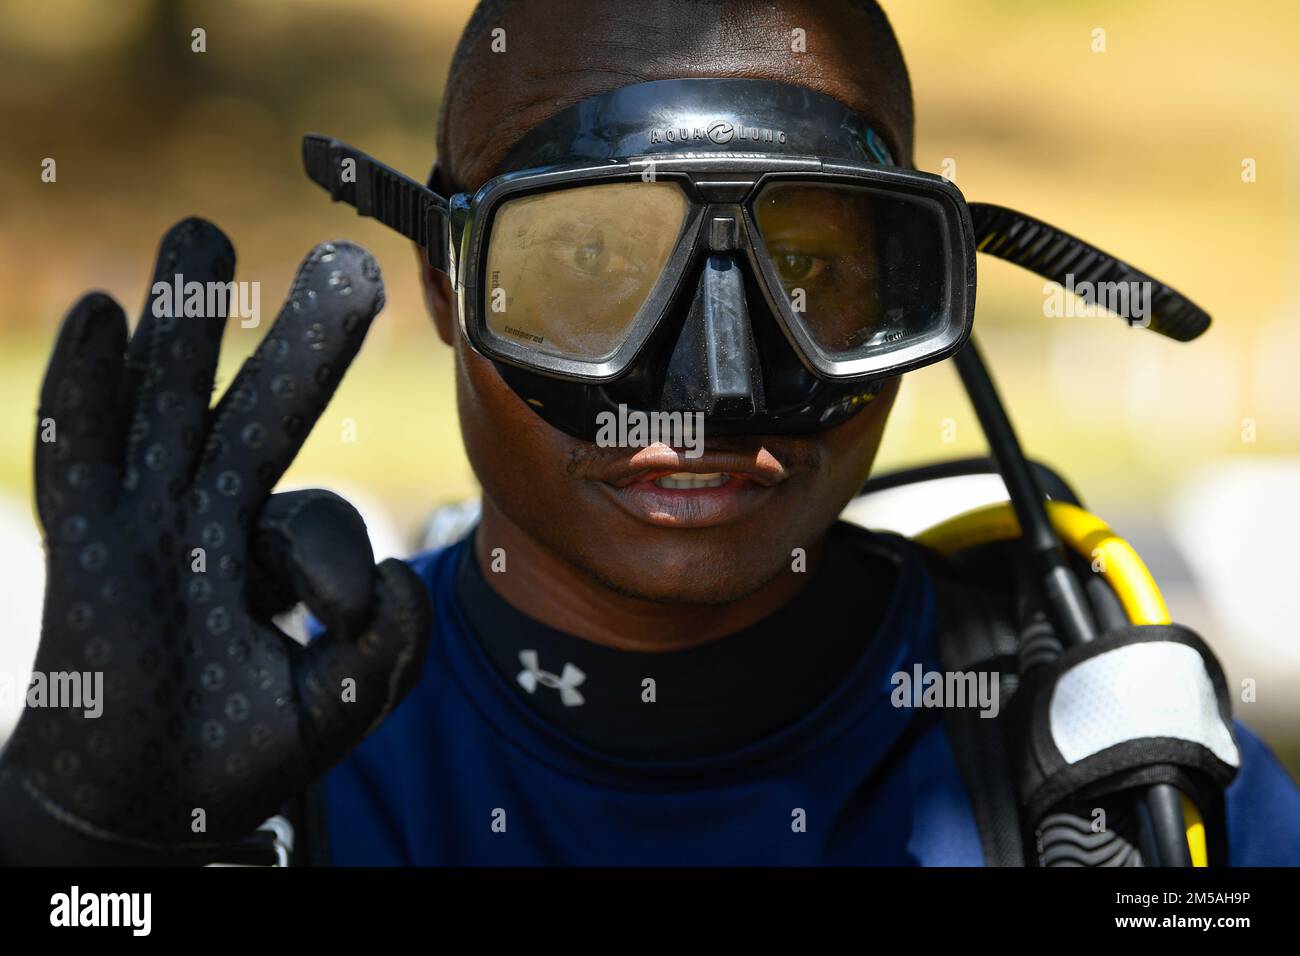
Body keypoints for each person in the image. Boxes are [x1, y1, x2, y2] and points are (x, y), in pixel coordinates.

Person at [2, 0, 1298, 867]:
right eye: (586, 262)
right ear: (448, 286)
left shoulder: (1123, 774)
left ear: (917, 290)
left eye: (811, 269)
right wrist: (74, 857)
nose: (716, 388)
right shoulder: (266, 767)